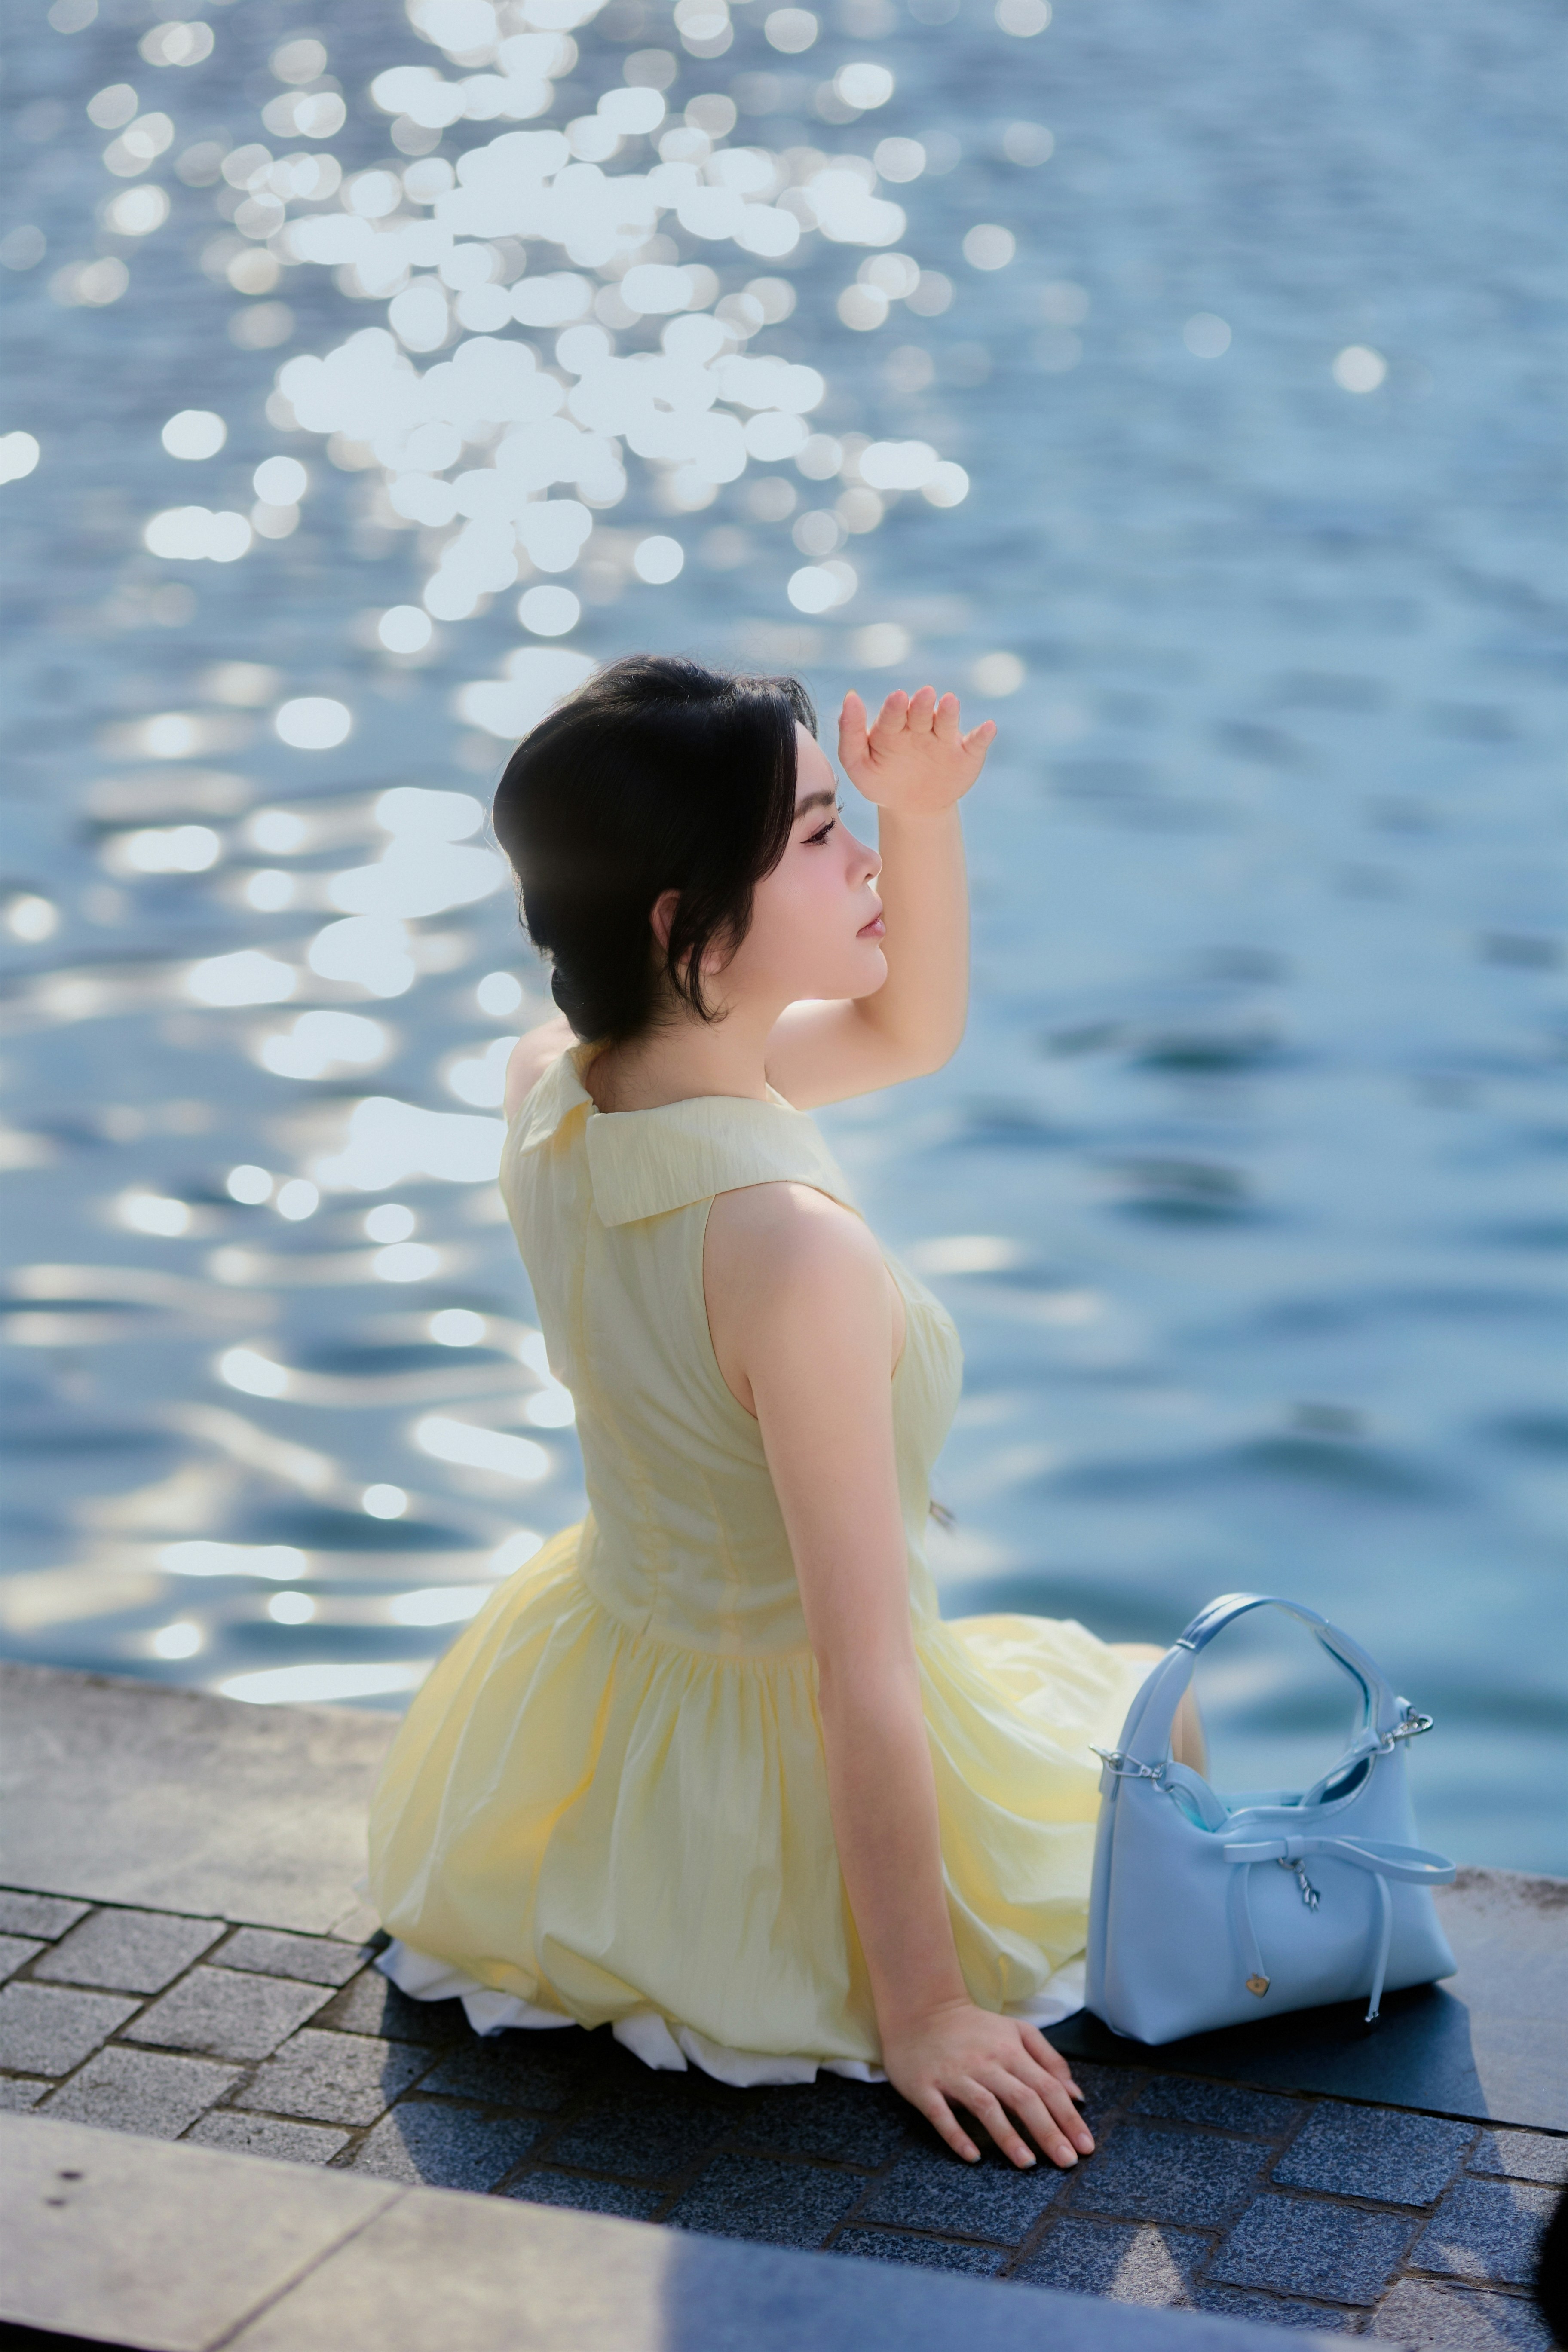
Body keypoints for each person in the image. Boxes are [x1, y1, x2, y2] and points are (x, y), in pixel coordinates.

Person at [367, 654, 1192, 2174]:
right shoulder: (787, 1249)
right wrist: (925, 2008)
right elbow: (855, 1668)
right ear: (683, 922)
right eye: (820, 833)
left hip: (602, 1704)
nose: (860, 856)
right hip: (780, 1776)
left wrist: (920, 817)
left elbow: (904, 1035)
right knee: (1173, 1725)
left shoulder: (556, 1082)